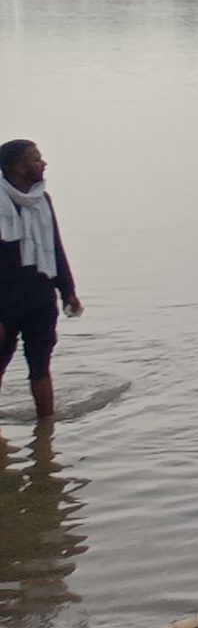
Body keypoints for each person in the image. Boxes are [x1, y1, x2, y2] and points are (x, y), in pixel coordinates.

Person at [0, 140, 81, 423]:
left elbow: (54, 246)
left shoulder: (41, 200)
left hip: (39, 297)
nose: (44, 163)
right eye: (36, 159)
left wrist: (68, 291)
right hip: (3, 300)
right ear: (16, 167)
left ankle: (45, 434)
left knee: (41, 364)